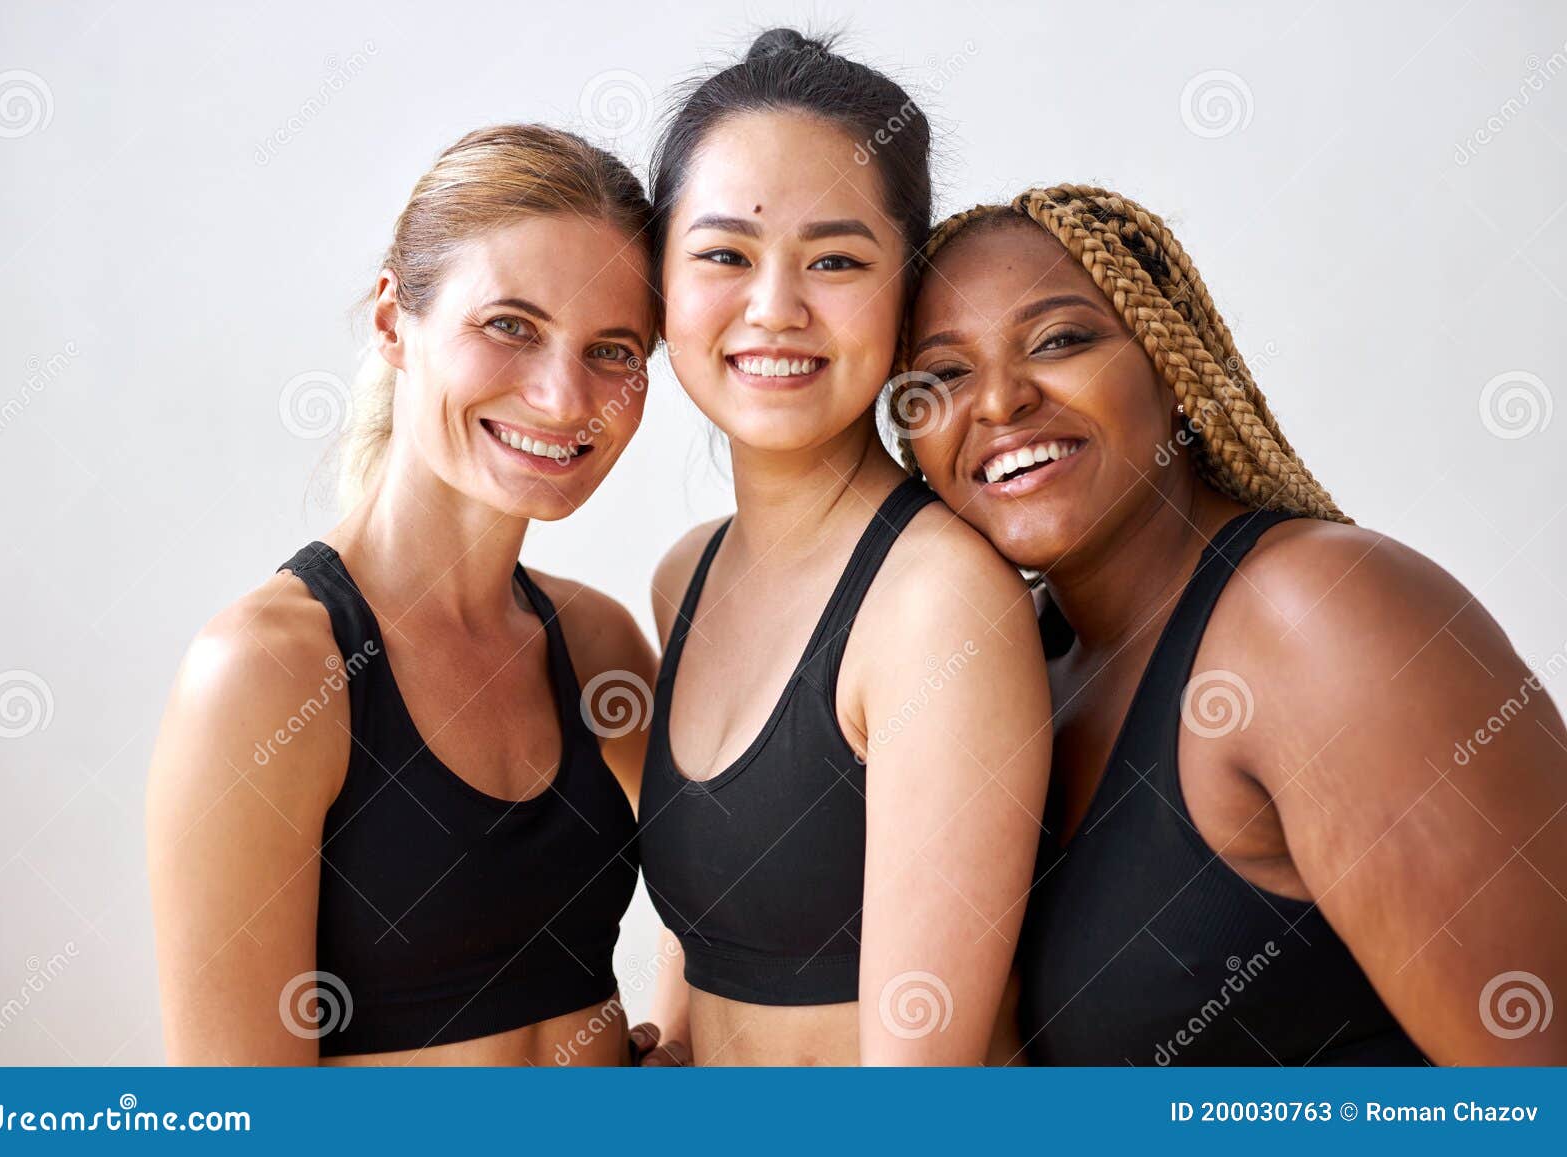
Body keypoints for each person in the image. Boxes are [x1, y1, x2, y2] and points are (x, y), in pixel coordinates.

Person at [897, 184, 1567, 1065]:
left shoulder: (1319, 616)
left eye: (1060, 341)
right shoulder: (1013, 671)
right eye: (943, 376)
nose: (999, 403)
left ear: (1173, 369)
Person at [147, 124, 676, 1065]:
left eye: (614, 349)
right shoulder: (267, 672)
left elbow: (718, 898)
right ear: (394, 320)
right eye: (510, 325)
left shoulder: (598, 643)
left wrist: (677, 1050)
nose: (563, 398)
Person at [635, 30, 1051, 1066]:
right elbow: (704, 955)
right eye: (725, 254)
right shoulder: (686, 576)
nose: (774, 308)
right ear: (659, 285)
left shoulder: (935, 603)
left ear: (905, 289)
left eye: (835, 259)